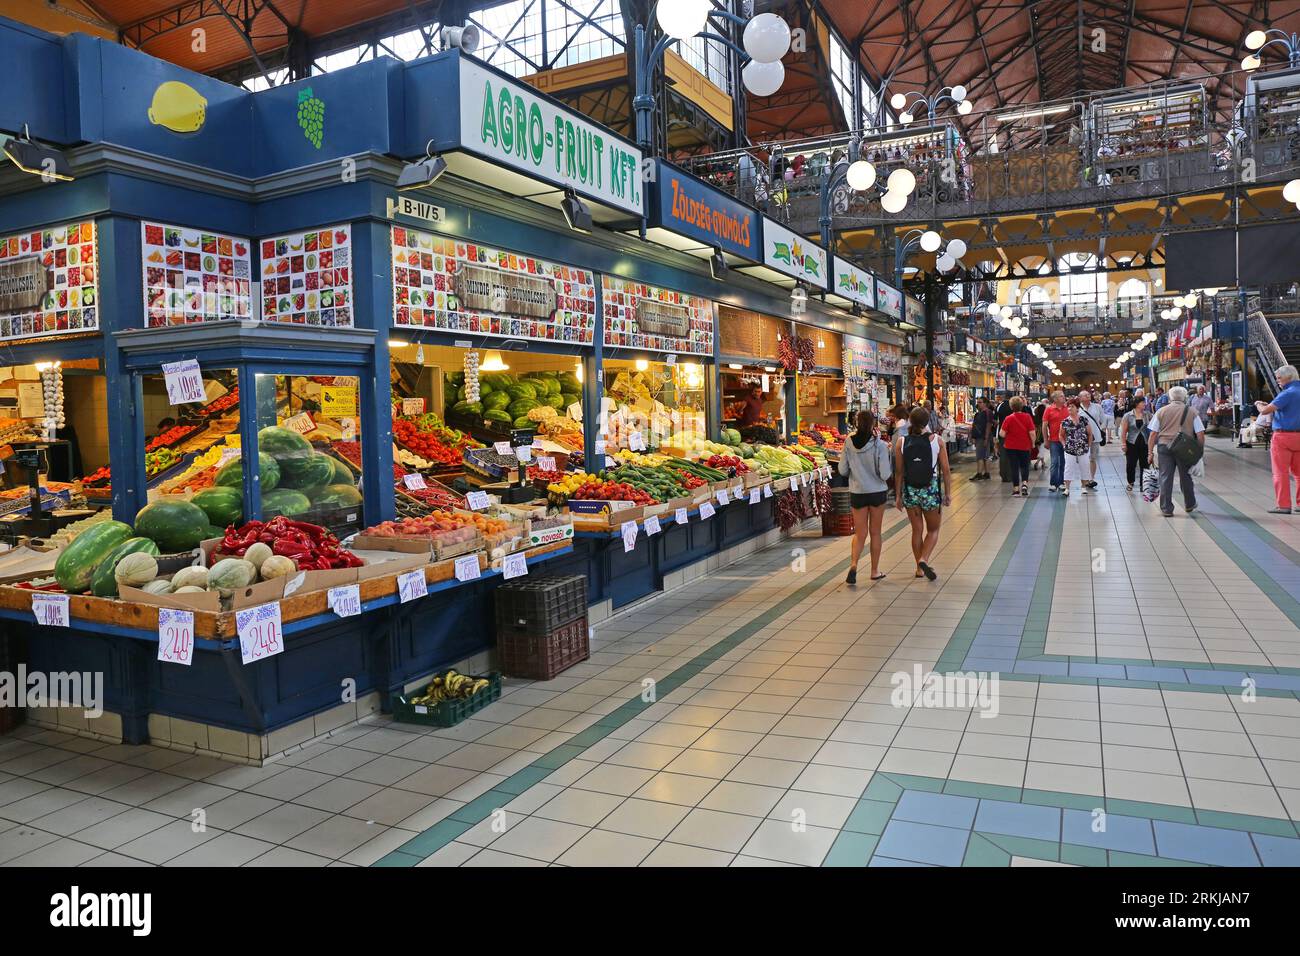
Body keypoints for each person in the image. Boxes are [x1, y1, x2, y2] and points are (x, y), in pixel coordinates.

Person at [895, 406, 951, 581]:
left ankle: (919, 569)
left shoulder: (901, 442)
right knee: (933, 530)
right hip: (930, 489)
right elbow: (946, 470)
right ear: (928, 421)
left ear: (910, 421)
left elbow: (898, 471)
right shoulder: (937, 441)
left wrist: (898, 496)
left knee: (916, 530)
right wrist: (948, 493)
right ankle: (923, 559)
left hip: (910, 490)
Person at [838, 410, 892, 584]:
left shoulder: (848, 442)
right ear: (872, 424)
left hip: (857, 493)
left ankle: (853, 565)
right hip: (877, 493)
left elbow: (842, 470)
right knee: (875, 533)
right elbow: (885, 474)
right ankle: (874, 571)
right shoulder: (880, 445)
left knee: (860, 533)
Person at [1147, 385, 1205, 516]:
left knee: (1165, 477)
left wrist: (1150, 452)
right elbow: (1200, 434)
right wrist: (1199, 452)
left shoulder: (1161, 411)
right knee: (1186, 476)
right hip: (1184, 448)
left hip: (1164, 446)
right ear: (1184, 397)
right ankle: (1189, 504)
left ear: (1170, 397)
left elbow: (1152, 434)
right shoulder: (1192, 411)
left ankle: (1166, 508)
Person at [1254, 364, 1300, 514]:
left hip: (1283, 436)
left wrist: (1259, 405)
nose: (1278, 380)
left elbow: (1266, 411)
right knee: (1299, 473)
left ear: (1288, 377)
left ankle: (1284, 505)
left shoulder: (1287, 392)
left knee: (1280, 472)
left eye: (1279, 378)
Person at [999, 396, 1037, 497]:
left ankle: (1016, 489)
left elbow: (1002, 434)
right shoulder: (1027, 417)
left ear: (1011, 407)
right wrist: (1033, 443)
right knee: (1025, 466)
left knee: (1014, 467)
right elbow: (1032, 433)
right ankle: (1024, 484)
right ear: (1022, 406)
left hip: (1011, 446)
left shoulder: (1008, 418)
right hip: (1024, 446)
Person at [1060, 400, 1093, 496]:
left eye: (1072, 406)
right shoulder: (1065, 422)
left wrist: (1088, 445)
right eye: (1068, 406)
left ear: (1077, 408)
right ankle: (1067, 488)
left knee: (1084, 466)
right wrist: (1064, 445)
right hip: (1070, 449)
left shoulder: (1084, 420)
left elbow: (1090, 434)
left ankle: (1083, 487)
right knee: (1068, 468)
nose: (1070, 408)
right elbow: (1061, 435)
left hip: (1083, 448)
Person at [1119, 395, 1150, 492]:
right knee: (1131, 464)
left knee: (1145, 464)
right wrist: (1123, 444)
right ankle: (1130, 482)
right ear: (1136, 404)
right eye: (1142, 402)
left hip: (1145, 443)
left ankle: (1143, 484)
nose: (1144, 404)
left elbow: (1153, 426)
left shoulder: (1147, 414)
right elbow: (1124, 431)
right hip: (1132, 443)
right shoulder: (1128, 415)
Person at [1041, 390, 1069, 492]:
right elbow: (1044, 426)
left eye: (1063, 396)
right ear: (1055, 399)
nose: (1064, 397)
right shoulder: (1049, 409)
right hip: (1053, 440)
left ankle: (1061, 482)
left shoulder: (1067, 409)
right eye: (1061, 396)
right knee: (1055, 462)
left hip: (1066, 440)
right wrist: (1045, 439)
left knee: (1063, 462)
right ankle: (1053, 483)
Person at [1077, 390, 1104, 489]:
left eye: (1088, 394)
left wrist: (1100, 430)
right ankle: (1084, 479)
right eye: (1085, 395)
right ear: (1080, 398)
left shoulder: (1097, 407)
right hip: (1082, 437)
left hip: (1095, 437)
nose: (1088, 395)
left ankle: (1091, 478)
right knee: (1083, 459)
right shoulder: (1077, 408)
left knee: (1092, 458)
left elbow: (1103, 420)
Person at [970, 397, 993, 480]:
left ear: (985, 403)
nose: (978, 404)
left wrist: (986, 438)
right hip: (980, 437)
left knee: (981, 456)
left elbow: (988, 425)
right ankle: (986, 473)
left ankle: (980, 473)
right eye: (978, 402)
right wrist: (973, 437)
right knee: (982, 455)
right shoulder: (979, 413)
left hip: (983, 437)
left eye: (980, 402)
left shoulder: (987, 412)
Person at [994, 392, 1014, 482]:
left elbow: (995, 419)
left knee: (1003, 454)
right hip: (1013, 433)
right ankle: (1010, 475)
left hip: (1002, 433)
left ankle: (1003, 475)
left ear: (1004, 396)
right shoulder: (1013, 405)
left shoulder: (1000, 405)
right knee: (1012, 455)